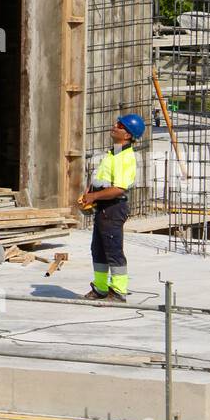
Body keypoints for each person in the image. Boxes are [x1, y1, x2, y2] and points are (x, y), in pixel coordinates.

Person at [78, 113, 145, 303]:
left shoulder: (126, 158)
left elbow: (119, 188)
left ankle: (118, 291)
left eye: (121, 126)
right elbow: (102, 178)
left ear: (128, 135)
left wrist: (94, 196)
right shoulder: (114, 152)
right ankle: (100, 288)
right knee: (98, 249)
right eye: (117, 123)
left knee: (113, 250)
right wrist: (88, 192)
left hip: (114, 208)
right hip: (103, 208)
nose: (115, 126)